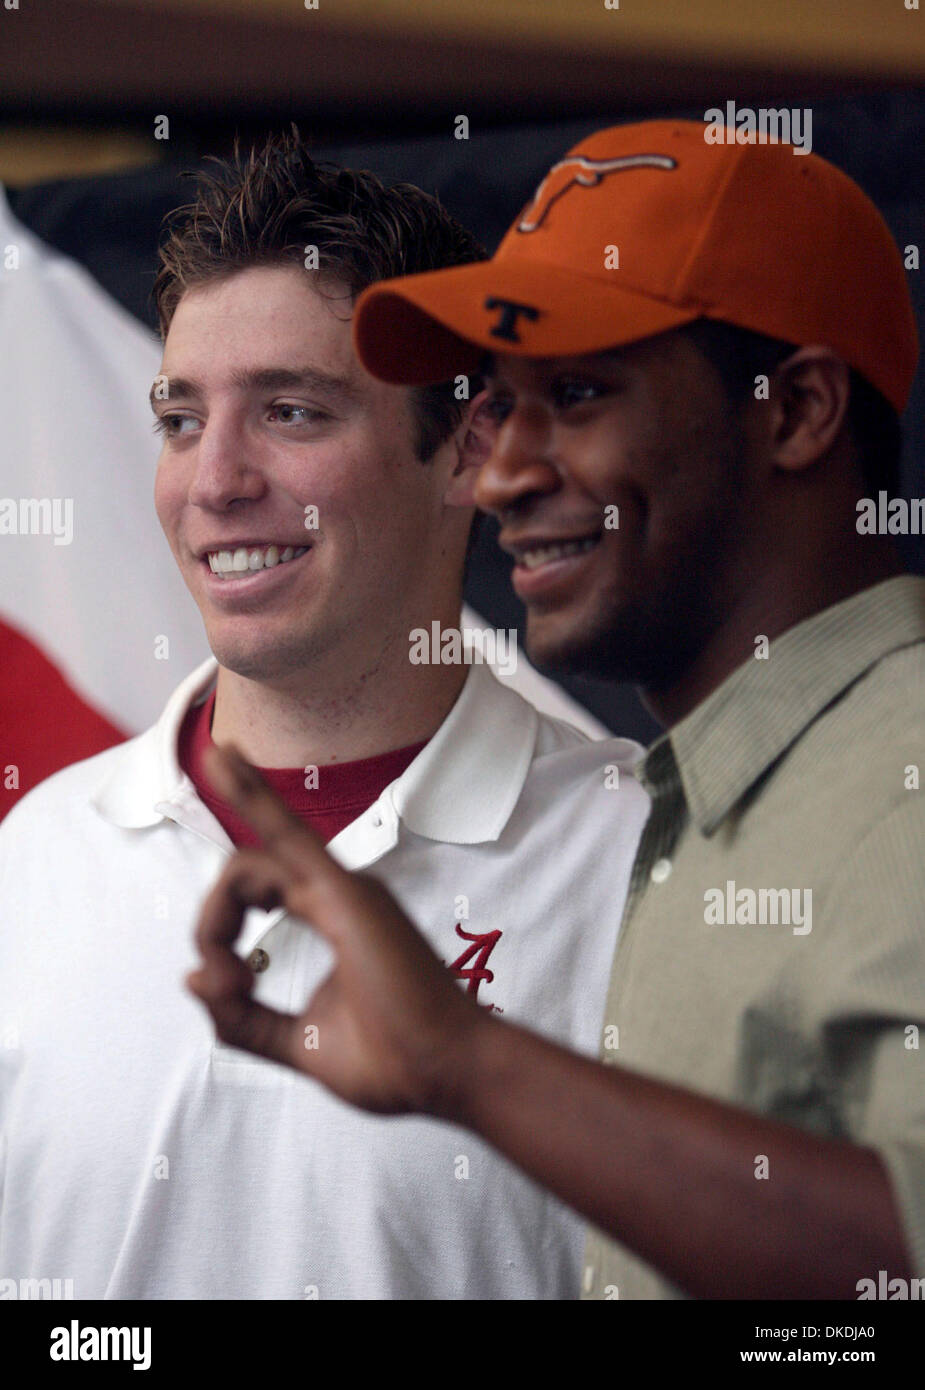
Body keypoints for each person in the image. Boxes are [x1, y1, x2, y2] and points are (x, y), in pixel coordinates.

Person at [187, 119, 925, 1300]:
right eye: (504, 406)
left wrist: (468, 1064)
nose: (501, 472)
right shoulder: (705, 792)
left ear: (793, 412)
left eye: (576, 394)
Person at [0, 132, 651, 1300]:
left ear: (471, 448)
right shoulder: (29, 862)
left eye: (292, 412)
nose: (215, 481)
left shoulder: (642, 870)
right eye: (182, 418)